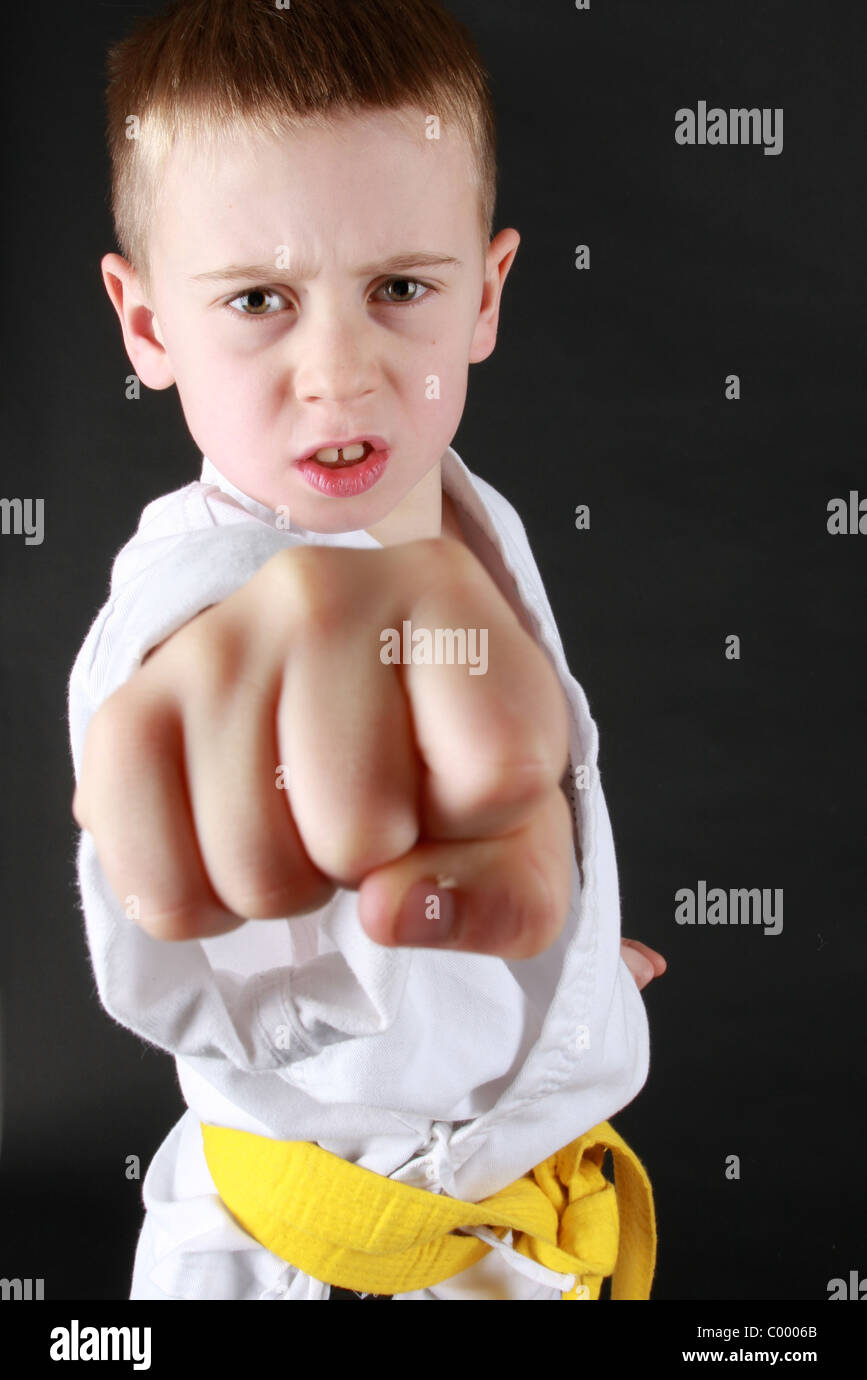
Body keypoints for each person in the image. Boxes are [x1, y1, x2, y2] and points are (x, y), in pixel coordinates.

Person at [68, 0, 667, 1300]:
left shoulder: (468, 505)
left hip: (527, 1216)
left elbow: (473, 854)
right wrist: (241, 689)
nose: (338, 372)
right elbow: (206, 722)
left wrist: (563, 979)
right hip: (323, 1257)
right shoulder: (200, 595)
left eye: (400, 288)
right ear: (151, 325)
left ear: (486, 295)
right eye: (258, 301)